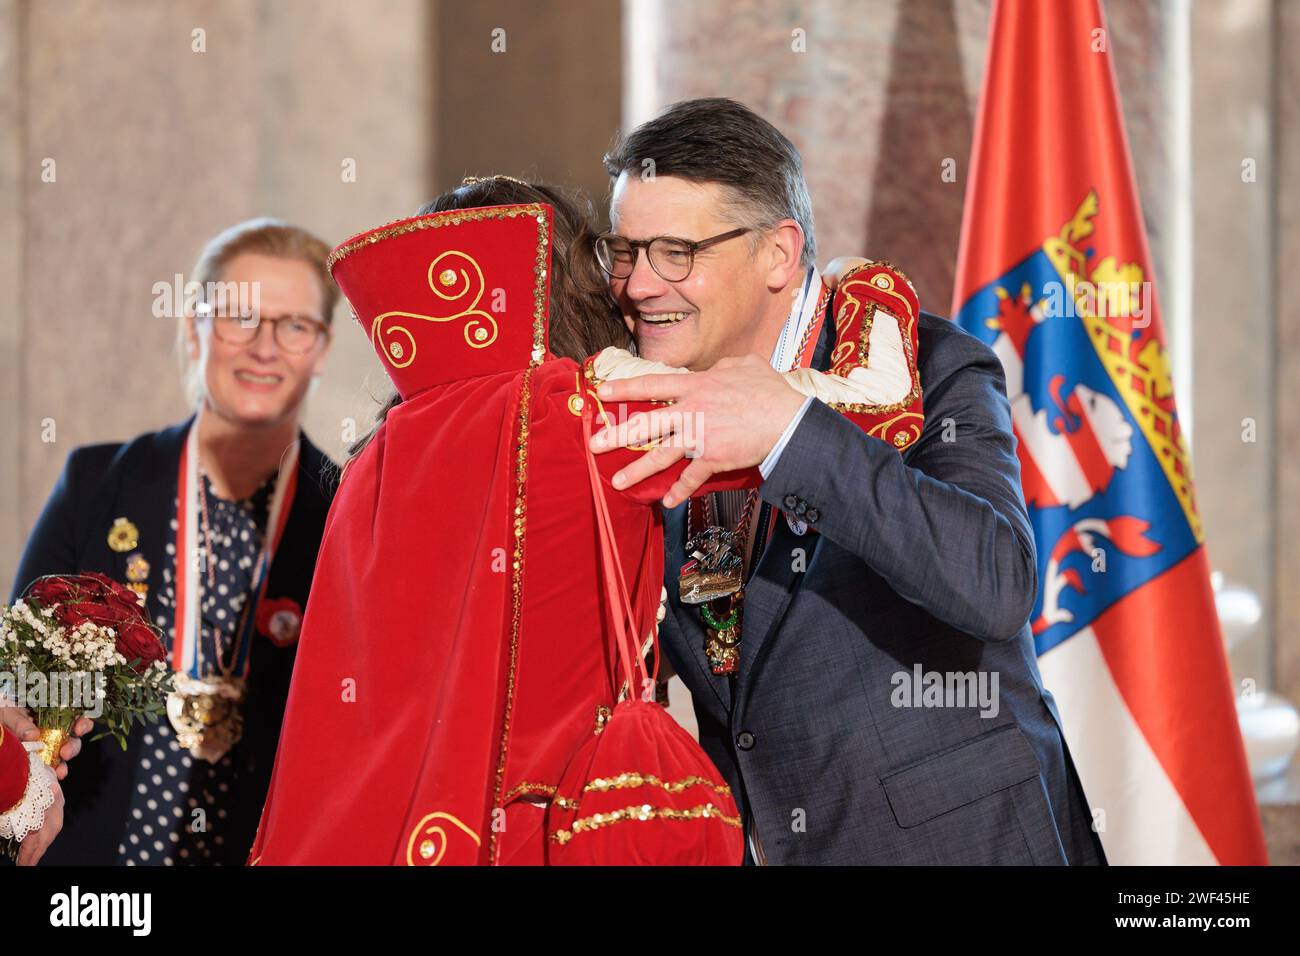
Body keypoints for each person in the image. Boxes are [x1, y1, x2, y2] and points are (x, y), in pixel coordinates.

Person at [250, 177, 916, 865]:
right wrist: (866, 283)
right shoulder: (601, 409)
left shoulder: (373, 457)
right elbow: (878, 408)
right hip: (563, 830)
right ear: (567, 284)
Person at [590, 97, 1106, 865]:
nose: (636, 285)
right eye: (625, 251)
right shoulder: (637, 399)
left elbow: (995, 582)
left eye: (675, 252)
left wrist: (791, 431)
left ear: (777, 253)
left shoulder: (927, 366)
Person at [10, 218, 338, 865]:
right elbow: (18, 681)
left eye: (295, 325)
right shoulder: (98, 484)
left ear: (322, 348)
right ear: (195, 328)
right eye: (241, 317)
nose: (266, 347)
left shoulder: (345, 514)